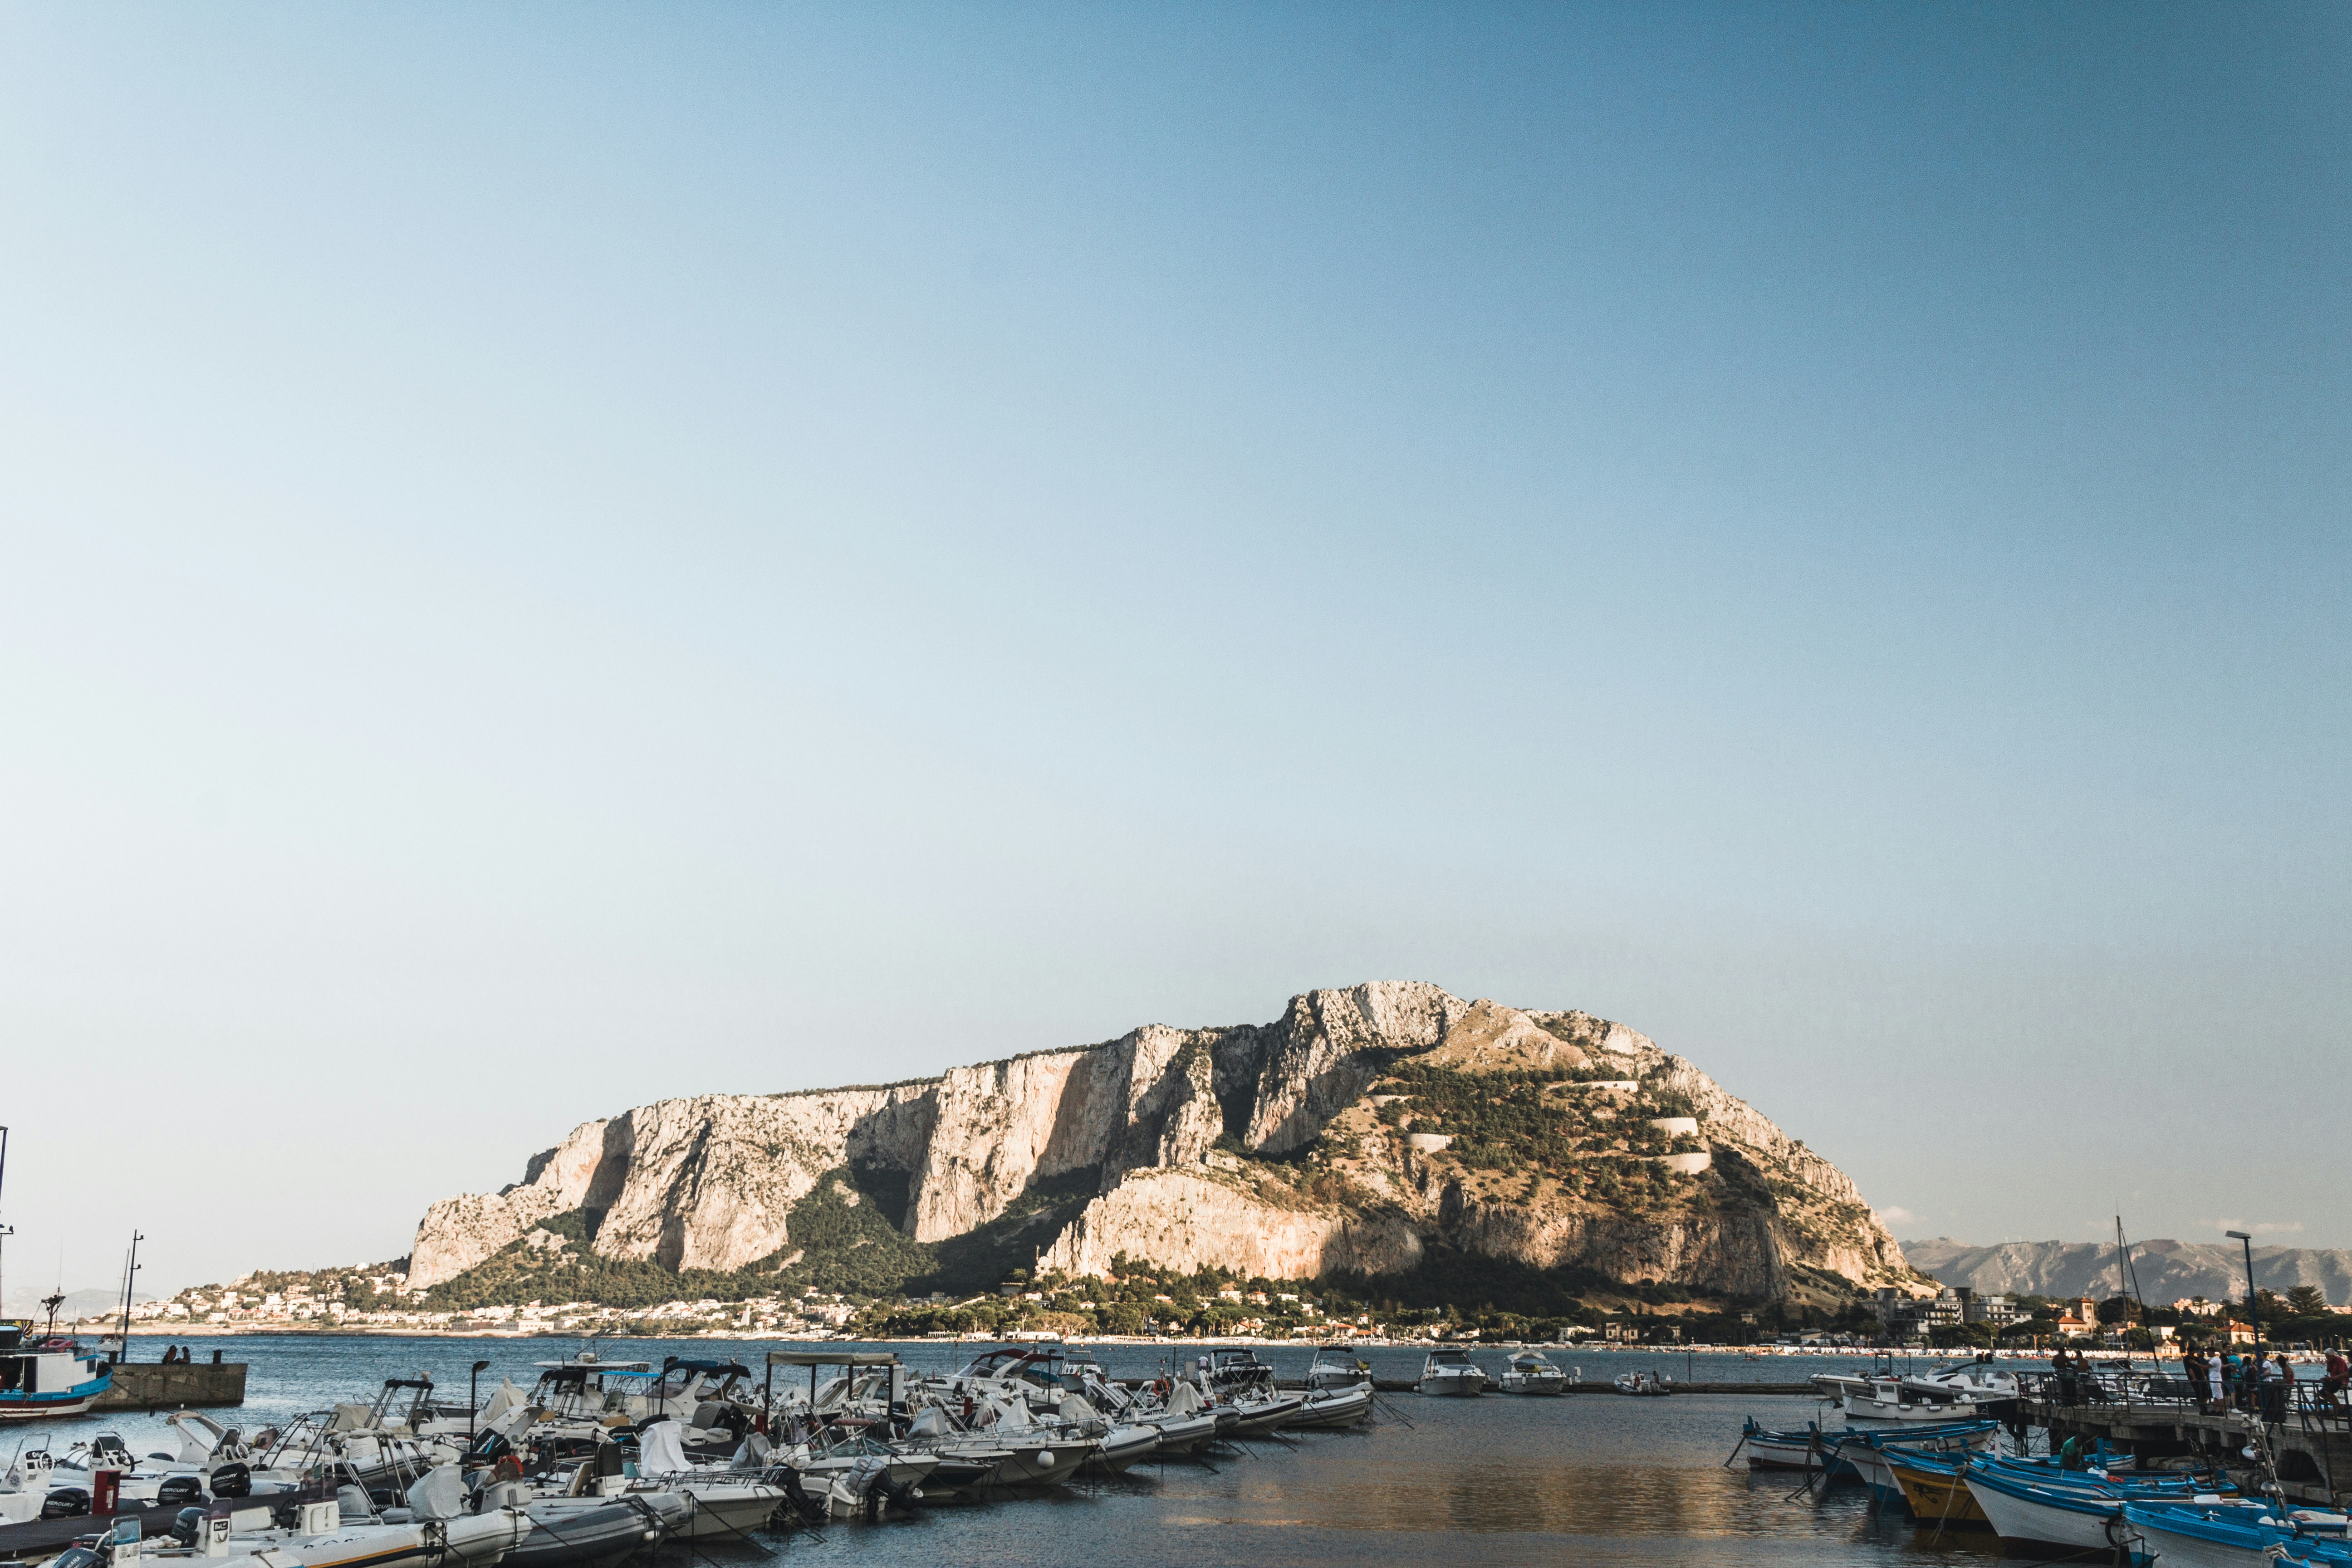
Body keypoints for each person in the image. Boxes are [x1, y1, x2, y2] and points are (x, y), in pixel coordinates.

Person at [2321, 1348, 2348, 1412]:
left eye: (2328, 1356)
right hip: (2333, 1380)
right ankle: (2339, 1406)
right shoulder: (2330, 1362)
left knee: (2328, 1392)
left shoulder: (2340, 1361)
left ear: (2333, 1356)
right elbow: (2328, 1371)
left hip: (2340, 1380)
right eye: (2326, 1356)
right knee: (2321, 1393)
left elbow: (2343, 1373)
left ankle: (2340, 1407)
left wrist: (2344, 1383)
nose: (2327, 1358)